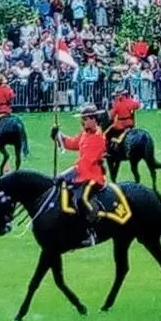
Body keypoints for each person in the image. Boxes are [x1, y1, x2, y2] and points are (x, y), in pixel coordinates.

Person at [51, 103, 108, 246]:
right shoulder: (85, 134)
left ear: (94, 119)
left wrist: (67, 173)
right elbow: (72, 143)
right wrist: (58, 136)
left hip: (93, 176)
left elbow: (86, 162)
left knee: (82, 199)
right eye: (82, 119)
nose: (83, 122)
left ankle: (91, 231)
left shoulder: (98, 138)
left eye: (86, 119)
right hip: (81, 175)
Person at [105, 86, 142, 151]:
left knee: (107, 133)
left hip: (121, 125)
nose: (116, 96)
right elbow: (138, 105)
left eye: (117, 95)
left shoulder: (117, 104)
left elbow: (111, 116)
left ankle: (108, 150)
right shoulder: (130, 101)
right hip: (130, 125)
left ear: (121, 95)